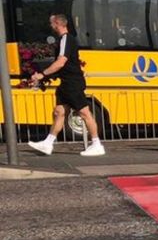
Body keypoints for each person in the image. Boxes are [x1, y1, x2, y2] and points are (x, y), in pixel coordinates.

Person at [27, 14, 105, 157]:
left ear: (57, 23)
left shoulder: (66, 39)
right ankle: (48, 143)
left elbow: (61, 62)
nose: (51, 26)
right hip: (66, 83)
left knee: (84, 113)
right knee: (59, 112)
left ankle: (96, 144)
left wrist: (42, 74)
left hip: (72, 83)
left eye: (52, 23)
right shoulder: (64, 40)